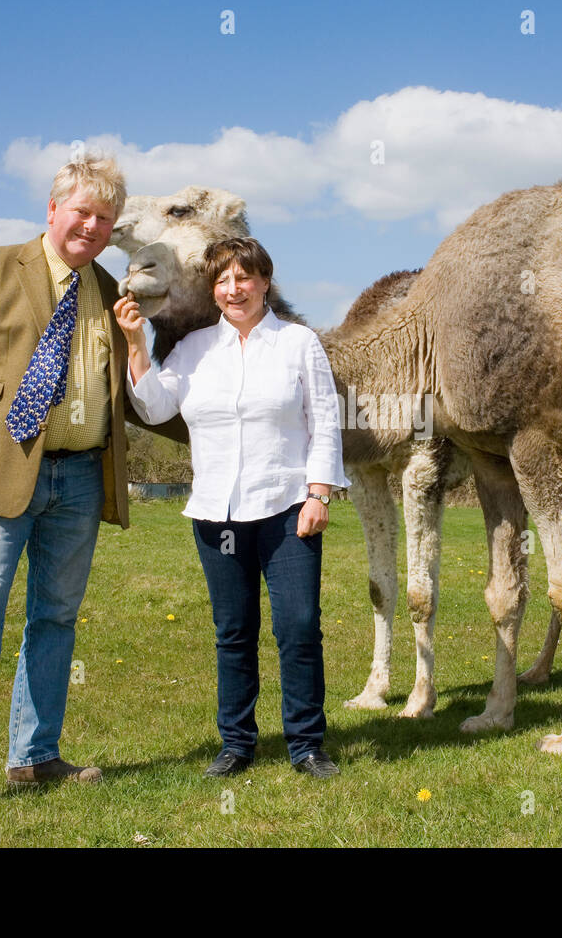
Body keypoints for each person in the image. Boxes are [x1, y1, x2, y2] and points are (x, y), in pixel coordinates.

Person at [0, 156, 131, 819]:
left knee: (56, 619)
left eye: (105, 218)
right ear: (52, 209)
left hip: (79, 478)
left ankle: (34, 756)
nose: (92, 227)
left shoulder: (108, 285)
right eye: (82, 212)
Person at [115, 237, 349, 779]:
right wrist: (135, 345)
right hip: (216, 514)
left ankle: (307, 745)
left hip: (287, 507)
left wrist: (318, 493)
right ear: (213, 290)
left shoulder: (298, 343)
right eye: (222, 280)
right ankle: (237, 744)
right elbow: (153, 406)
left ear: (265, 281)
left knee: (298, 628)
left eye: (244, 278)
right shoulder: (194, 349)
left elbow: (325, 422)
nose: (233, 289)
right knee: (234, 632)